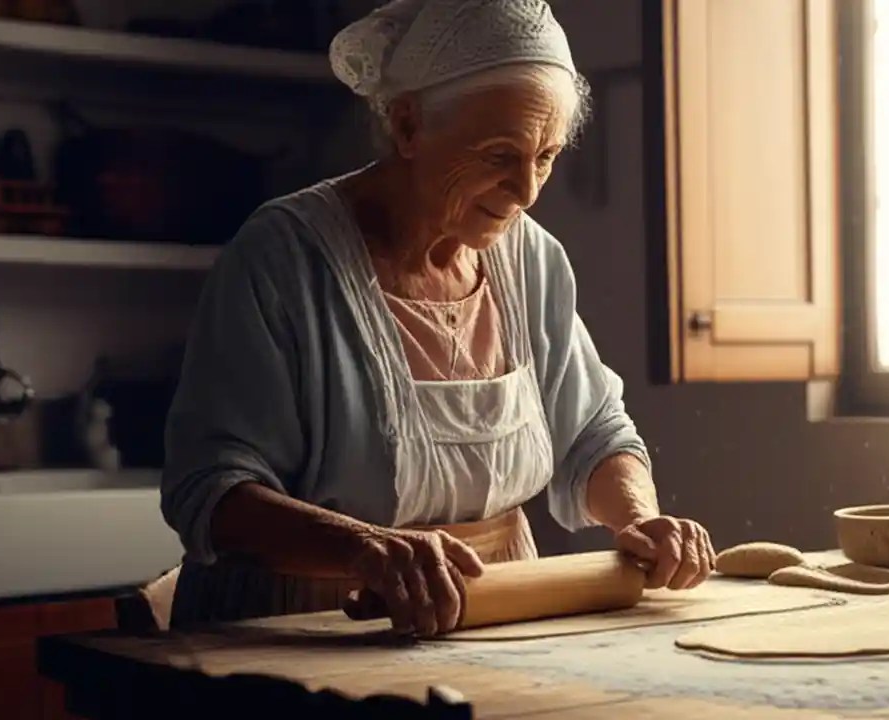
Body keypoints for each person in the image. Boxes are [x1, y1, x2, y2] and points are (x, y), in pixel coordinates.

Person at [160, 0, 715, 636]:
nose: (527, 191)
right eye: (499, 155)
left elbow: (594, 433)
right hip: (301, 625)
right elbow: (213, 490)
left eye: (546, 156)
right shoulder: (284, 258)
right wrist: (365, 549)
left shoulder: (532, 260)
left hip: (489, 617)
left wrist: (639, 519)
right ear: (408, 126)